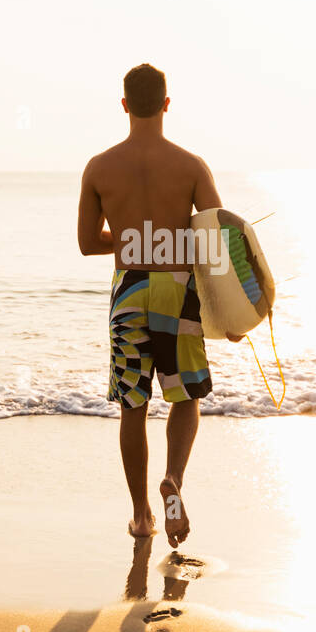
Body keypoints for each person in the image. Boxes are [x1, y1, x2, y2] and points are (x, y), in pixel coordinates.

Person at [77, 63, 235, 548]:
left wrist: (131, 240)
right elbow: (216, 243)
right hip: (174, 287)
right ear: (167, 103)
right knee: (185, 397)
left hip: (129, 290)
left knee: (133, 405)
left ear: (124, 105)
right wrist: (231, 314)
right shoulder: (190, 166)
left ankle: (141, 515)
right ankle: (173, 482)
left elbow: (86, 242)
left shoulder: (99, 167)